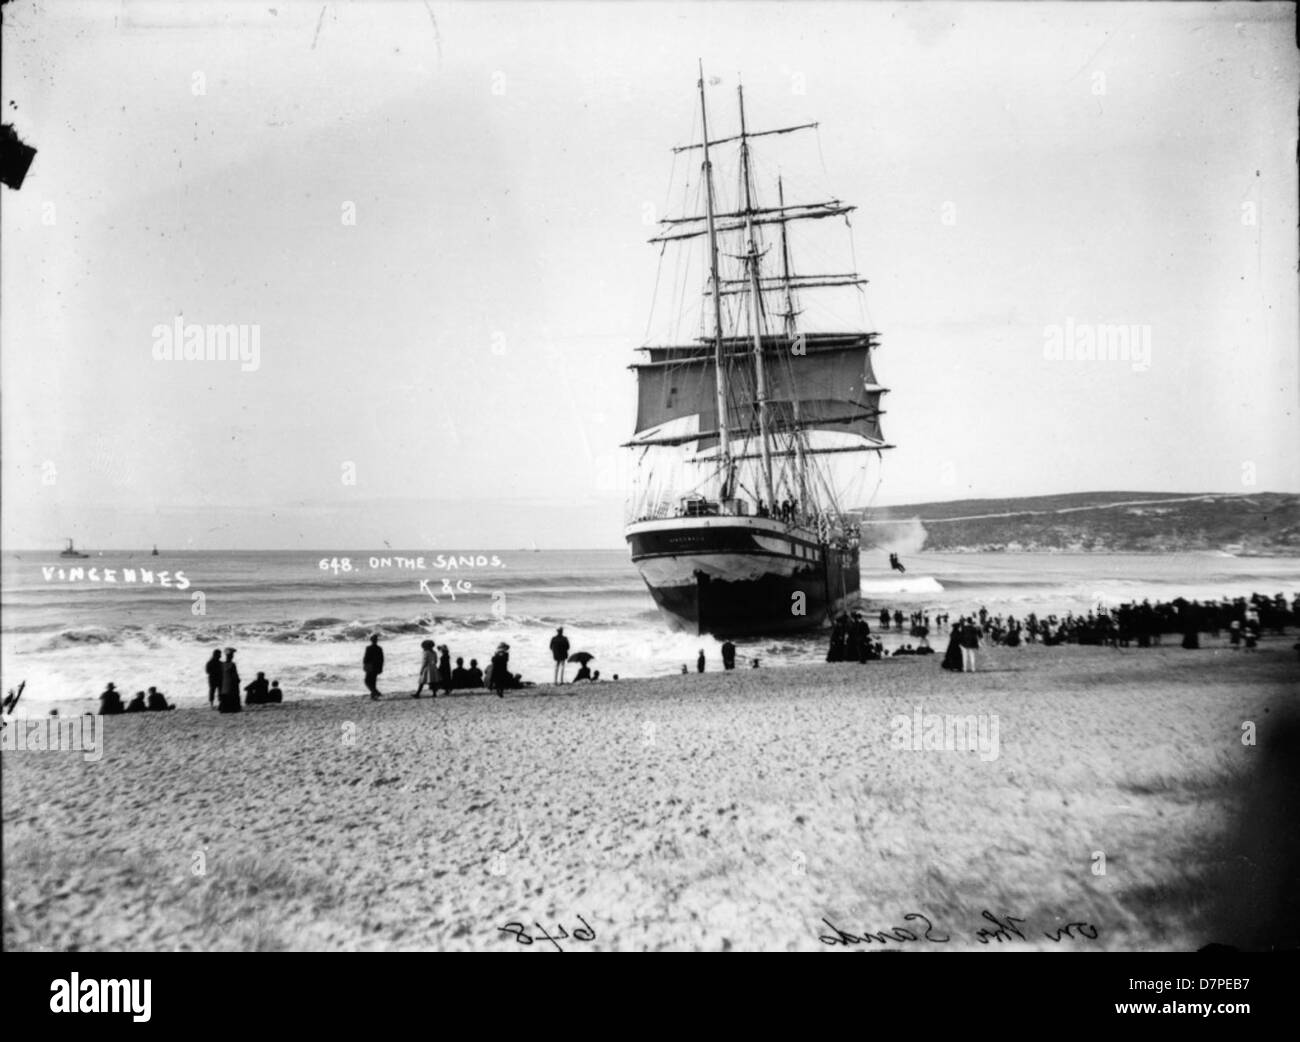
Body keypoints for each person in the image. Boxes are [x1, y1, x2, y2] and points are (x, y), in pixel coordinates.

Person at [219, 648, 242, 713]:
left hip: (224, 682)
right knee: (233, 695)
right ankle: (234, 708)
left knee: (225, 695)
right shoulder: (232, 664)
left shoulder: (222, 664)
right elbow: (235, 674)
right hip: (231, 682)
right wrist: (238, 680)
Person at [363, 634, 384, 700]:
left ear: (371, 640)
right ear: (376, 641)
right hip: (376, 666)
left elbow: (365, 658)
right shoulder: (379, 648)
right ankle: (374, 694)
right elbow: (382, 659)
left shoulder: (368, 648)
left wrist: (365, 665)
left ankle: (375, 692)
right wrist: (381, 668)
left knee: (367, 681)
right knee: (373, 681)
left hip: (370, 666)